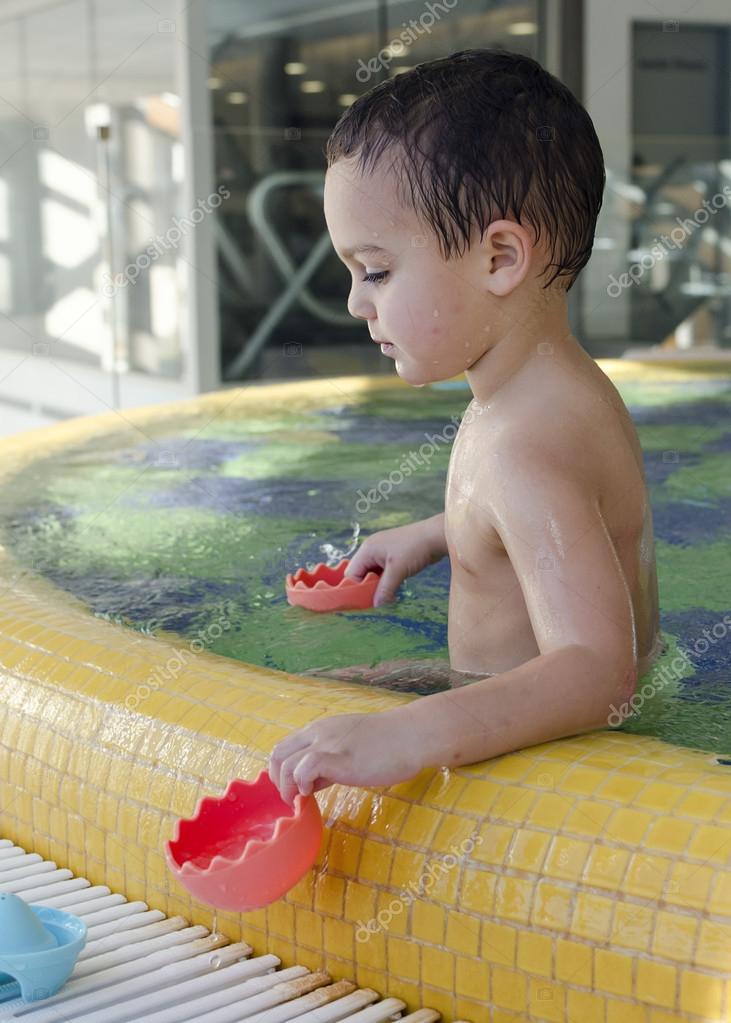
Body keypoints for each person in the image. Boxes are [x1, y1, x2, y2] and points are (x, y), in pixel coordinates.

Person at [269, 48, 664, 806]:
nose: (356, 303)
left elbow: (593, 668)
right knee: (330, 695)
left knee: (316, 711)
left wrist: (413, 731)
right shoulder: (560, 393)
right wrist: (436, 531)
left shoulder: (523, 443)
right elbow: (554, 524)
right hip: (526, 702)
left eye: (376, 270)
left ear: (500, 257)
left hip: (556, 755)